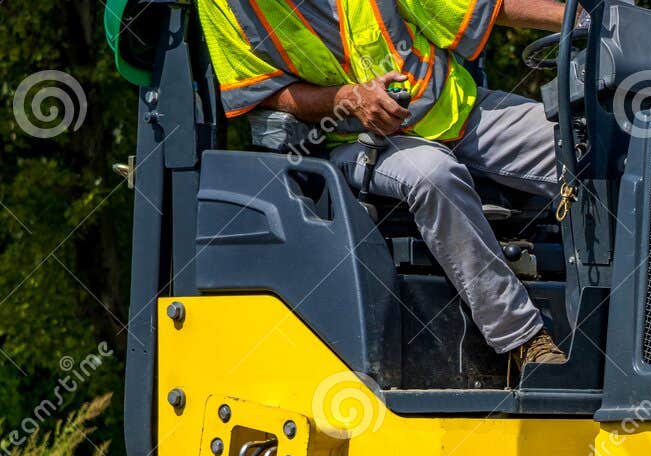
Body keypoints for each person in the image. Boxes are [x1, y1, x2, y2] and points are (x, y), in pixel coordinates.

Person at [196, 0, 573, 374]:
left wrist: (585, 18)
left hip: (455, 109)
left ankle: (626, 329)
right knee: (432, 175)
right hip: (355, 140)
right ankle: (523, 340)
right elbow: (261, 92)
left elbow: (474, 9)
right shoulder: (224, 6)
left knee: (582, 145)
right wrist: (348, 99)